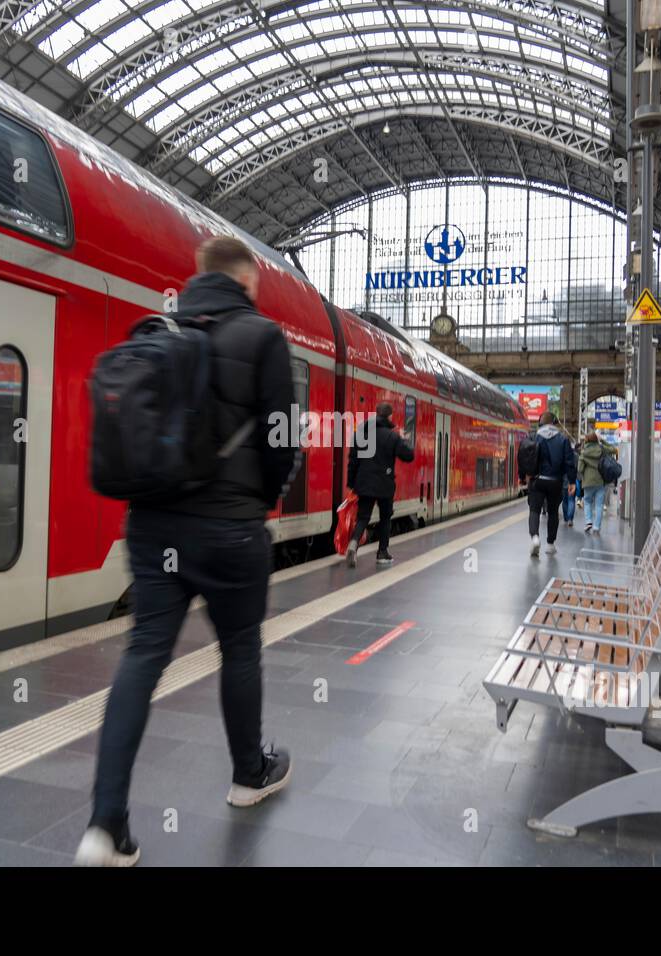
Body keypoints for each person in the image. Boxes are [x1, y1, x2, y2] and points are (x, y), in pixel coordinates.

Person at [77, 236, 298, 867]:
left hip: (153, 528)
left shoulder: (160, 331)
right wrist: (259, 498)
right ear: (247, 282)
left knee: (144, 655)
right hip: (230, 531)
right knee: (240, 648)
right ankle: (248, 775)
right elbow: (282, 438)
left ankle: (105, 826)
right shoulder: (263, 337)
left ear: (198, 278)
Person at [346, 401, 414, 567]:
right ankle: (382, 553)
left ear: (376, 414)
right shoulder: (392, 436)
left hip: (364, 483)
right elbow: (408, 456)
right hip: (384, 483)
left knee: (363, 517)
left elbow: (353, 460)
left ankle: (354, 543)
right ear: (389, 416)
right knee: (385, 518)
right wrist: (405, 440)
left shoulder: (362, 434)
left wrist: (352, 483)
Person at [518, 411, 576, 556]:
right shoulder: (563, 439)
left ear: (540, 423)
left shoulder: (533, 437)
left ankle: (535, 538)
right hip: (556, 481)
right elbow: (570, 462)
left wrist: (522, 476)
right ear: (554, 423)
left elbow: (524, 456)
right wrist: (572, 481)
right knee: (553, 512)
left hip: (537, 480)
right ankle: (550, 544)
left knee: (535, 510)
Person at [577, 431, 609, 535]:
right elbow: (614, 449)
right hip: (600, 481)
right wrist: (602, 441)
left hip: (588, 482)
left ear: (587, 440)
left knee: (587, 502)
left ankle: (588, 522)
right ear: (596, 439)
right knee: (599, 505)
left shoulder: (584, 452)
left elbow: (580, 468)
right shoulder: (602, 449)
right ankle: (596, 527)